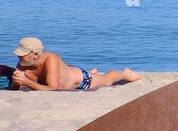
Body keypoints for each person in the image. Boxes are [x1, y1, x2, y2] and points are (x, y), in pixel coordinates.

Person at [10, 37, 140, 91]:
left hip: (81, 80)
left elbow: (53, 89)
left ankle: (125, 73)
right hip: (67, 72)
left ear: (36, 54)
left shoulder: (51, 59)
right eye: (19, 53)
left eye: (23, 54)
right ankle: (92, 72)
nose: (19, 56)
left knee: (107, 80)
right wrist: (16, 82)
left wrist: (26, 82)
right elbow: (13, 89)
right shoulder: (24, 63)